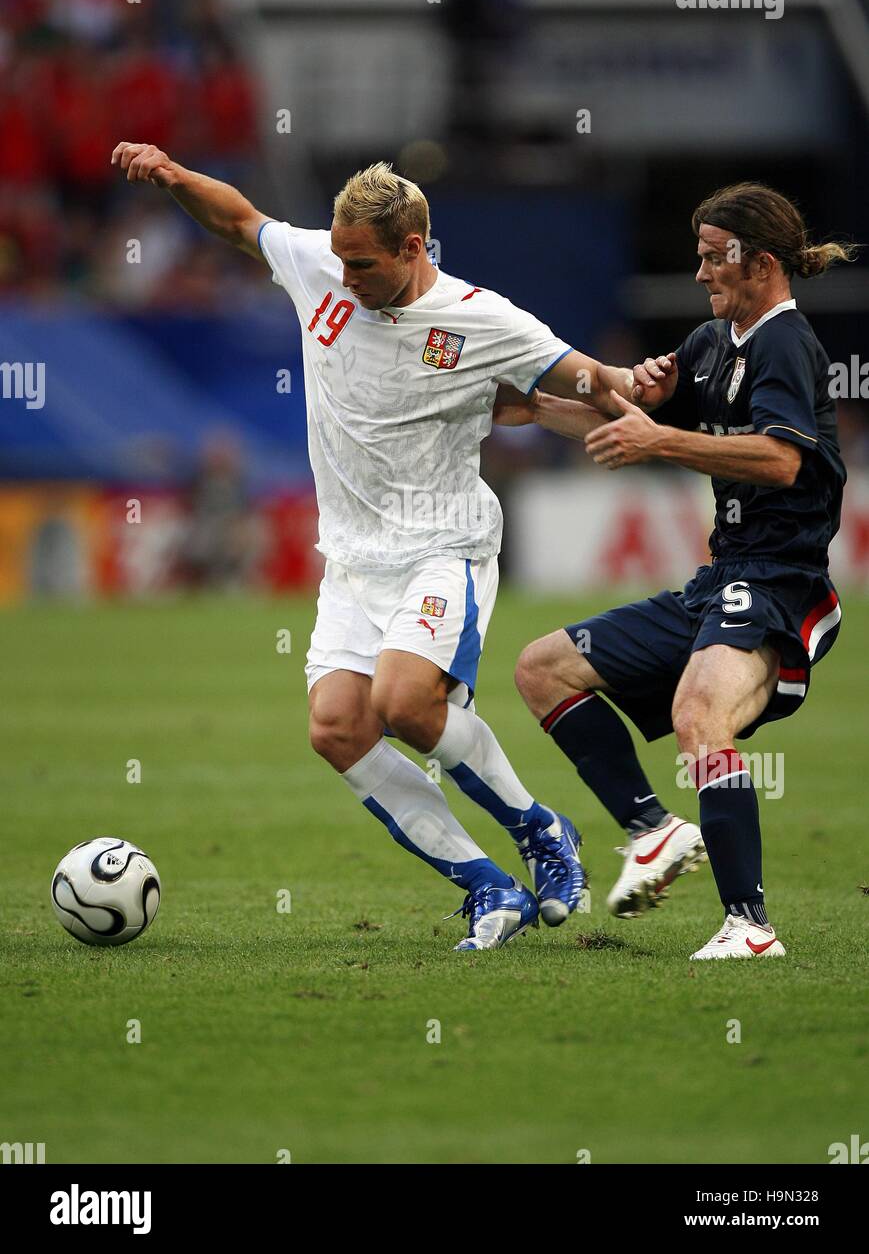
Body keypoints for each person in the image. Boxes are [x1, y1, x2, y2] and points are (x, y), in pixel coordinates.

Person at [110, 142, 635, 950]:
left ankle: (540, 831)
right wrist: (174, 178)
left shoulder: (483, 319)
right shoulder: (321, 263)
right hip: (353, 560)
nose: (344, 276)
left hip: (443, 546)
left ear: (412, 247)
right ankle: (488, 887)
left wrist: (655, 404)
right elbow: (239, 220)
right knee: (336, 729)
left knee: (404, 703)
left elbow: (589, 381)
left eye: (362, 264)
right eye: (340, 257)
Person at [513, 183, 852, 960]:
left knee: (700, 716)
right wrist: (527, 405)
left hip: (780, 584)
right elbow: (630, 421)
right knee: (543, 668)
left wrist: (658, 441)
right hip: (720, 579)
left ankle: (749, 927)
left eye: (711, 258)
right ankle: (653, 829)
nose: (699, 274)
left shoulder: (783, 343)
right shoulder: (709, 344)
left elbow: (780, 459)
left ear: (759, 263)